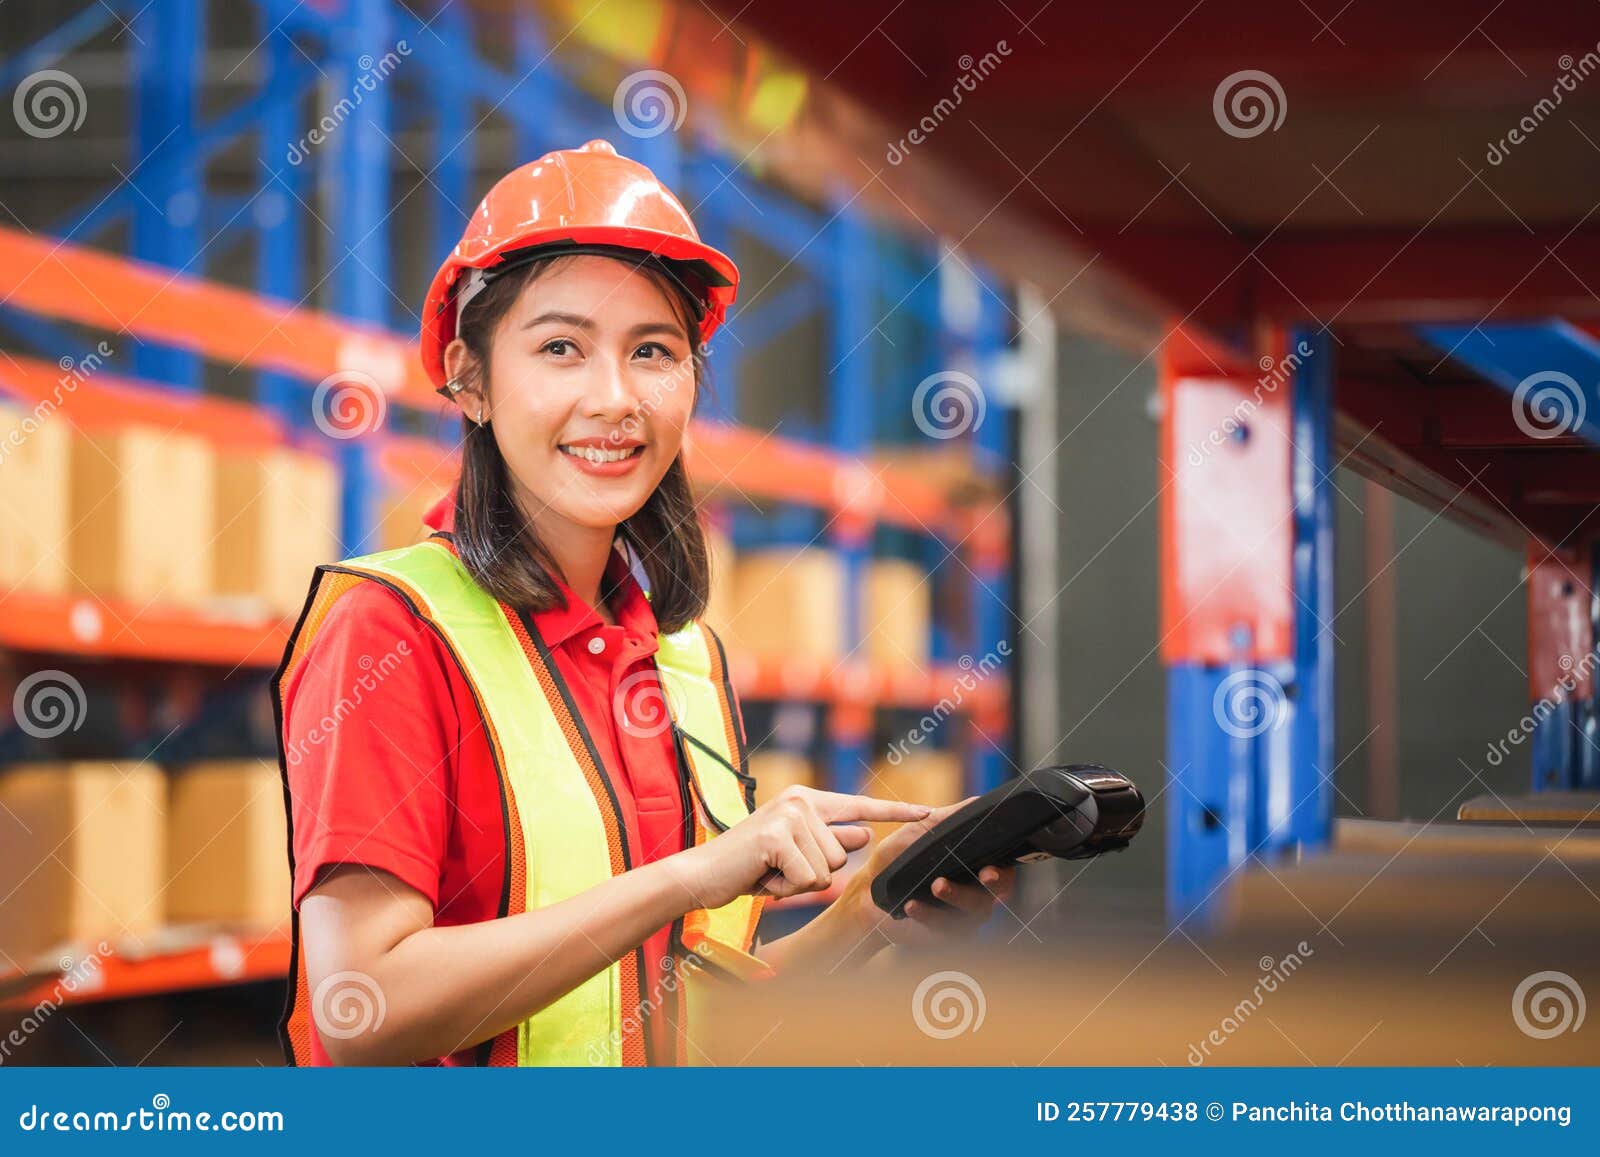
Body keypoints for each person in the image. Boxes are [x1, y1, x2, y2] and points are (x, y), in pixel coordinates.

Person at [274, 139, 1014, 1067]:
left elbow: (696, 1012)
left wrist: (866, 910)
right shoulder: (392, 631)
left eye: (653, 352)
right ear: (469, 378)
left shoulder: (684, 656)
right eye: (560, 348)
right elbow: (358, 1013)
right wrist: (686, 876)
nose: (614, 398)